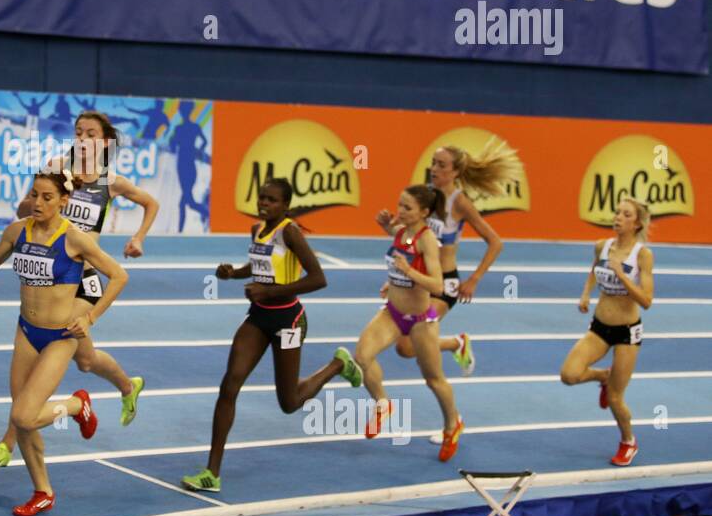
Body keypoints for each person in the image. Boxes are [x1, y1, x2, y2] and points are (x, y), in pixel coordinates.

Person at [0, 112, 155, 469]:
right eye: (78, 132)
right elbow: (24, 209)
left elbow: (151, 203)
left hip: (85, 279)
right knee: (86, 360)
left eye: (91, 134)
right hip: (56, 274)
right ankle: (126, 386)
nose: (83, 138)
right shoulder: (57, 169)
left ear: (105, 143)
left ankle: (9, 442)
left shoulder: (112, 182)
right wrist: (48, 197)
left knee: (62, 347)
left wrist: (138, 237)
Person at [0, 171, 129, 516]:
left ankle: (75, 406)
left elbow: (119, 276)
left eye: (47, 197)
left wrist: (90, 317)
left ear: (64, 201)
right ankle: (43, 491)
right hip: (26, 331)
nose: (38, 203)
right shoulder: (16, 231)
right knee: (22, 413)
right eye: (34, 195)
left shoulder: (74, 239)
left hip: (61, 336)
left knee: (24, 415)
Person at [182, 179, 361, 492]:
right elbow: (259, 264)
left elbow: (318, 279)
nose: (264, 203)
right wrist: (233, 273)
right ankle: (212, 472)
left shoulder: (291, 232)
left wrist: (269, 290)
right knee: (230, 384)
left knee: (289, 402)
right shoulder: (257, 229)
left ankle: (337, 364)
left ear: (286, 205)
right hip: (259, 317)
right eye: (262, 197)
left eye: (272, 200)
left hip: (289, 320)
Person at [376, 140, 518, 379]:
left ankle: (456, 346)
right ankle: (456, 344)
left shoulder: (459, 203)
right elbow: (411, 239)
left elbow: (496, 242)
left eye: (442, 165)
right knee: (404, 347)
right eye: (433, 163)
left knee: (408, 346)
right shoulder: (426, 197)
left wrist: (474, 279)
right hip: (417, 281)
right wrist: (389, 229)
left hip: (444, 286)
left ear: (455, 172)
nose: (434, 169)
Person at [343, 185, 464, 461]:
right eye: (400, 204)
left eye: (408, 208)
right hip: (393, 313)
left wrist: (408, 272)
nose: (400, 211)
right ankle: (383, 404)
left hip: (421, 320)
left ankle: (452, 425)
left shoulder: (428, 239)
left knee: (433, 379)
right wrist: (394, 279)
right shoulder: (400, 231)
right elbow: (401, 254)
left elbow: (438, 284)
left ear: (424, 212)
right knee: (362, 356)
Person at [559, 197, 654, 466]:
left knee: (615, 397)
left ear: (636, 223)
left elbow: (647, 300)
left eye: (626, 215)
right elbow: (594, 270)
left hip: (627, 332)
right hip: (599, 327)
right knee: (568, 375)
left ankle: (628, 441)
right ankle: (602, 375)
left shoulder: (642, 255)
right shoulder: (602, 246)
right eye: (617, 212)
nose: (618, 217)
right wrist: (586, 293)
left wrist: (623, 276)